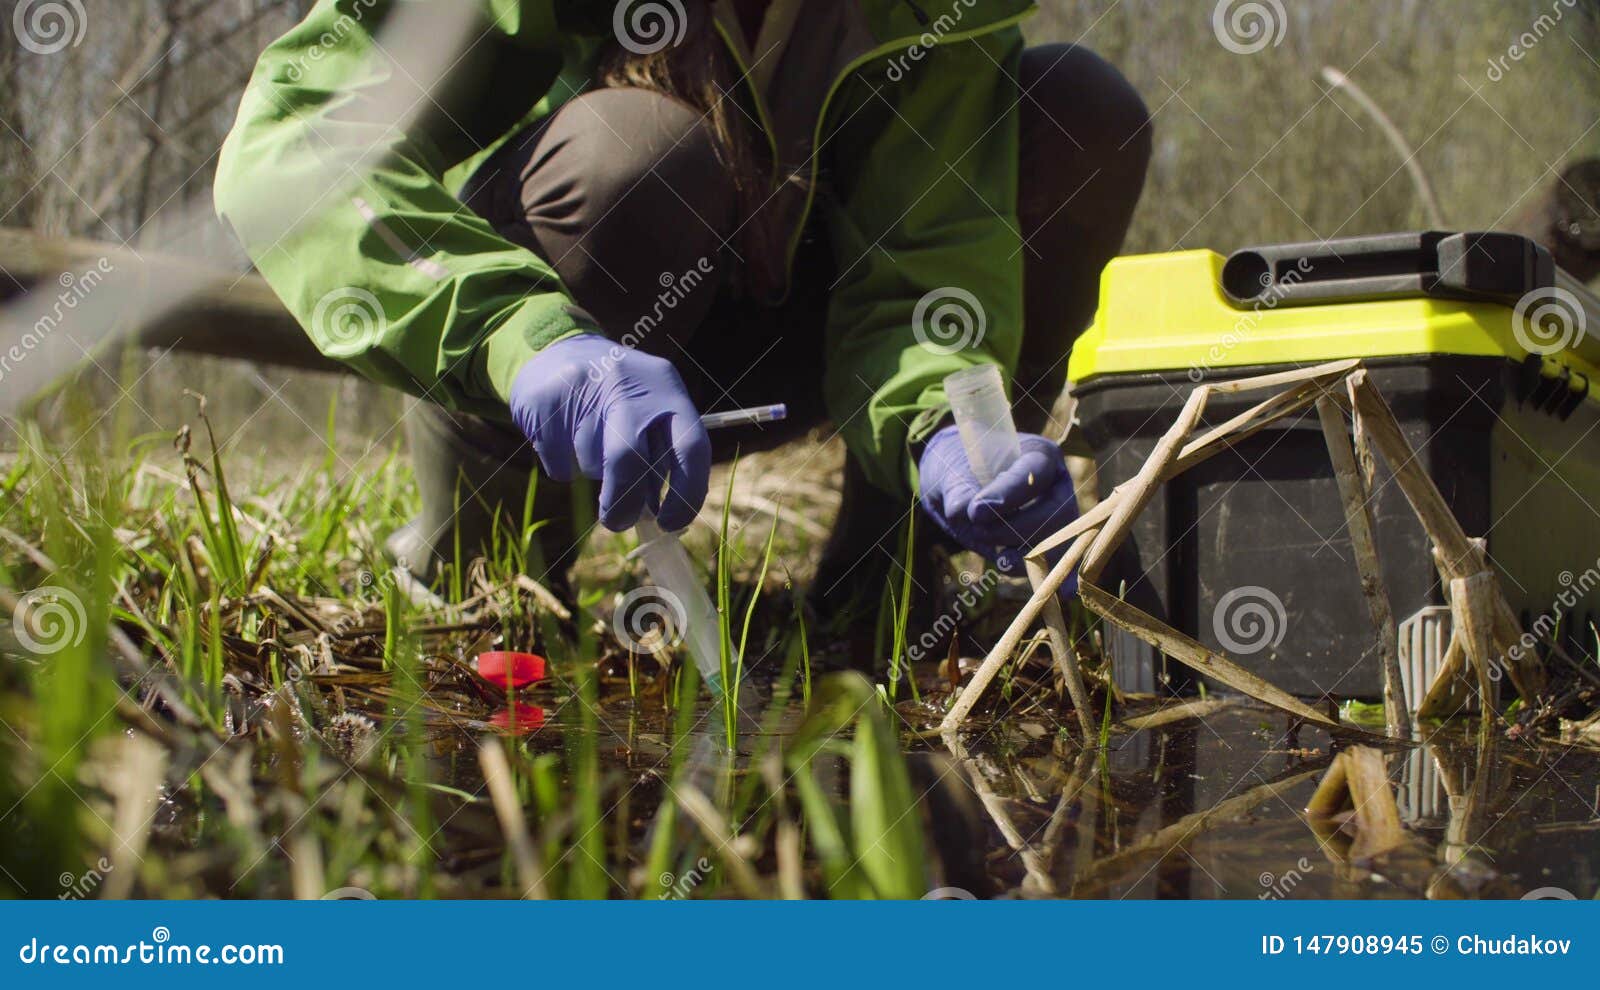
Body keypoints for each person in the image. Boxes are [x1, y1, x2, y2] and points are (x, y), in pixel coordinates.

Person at [214, 0, 1150, 641]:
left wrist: (944, 422)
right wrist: (521, 337)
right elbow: (294, 148)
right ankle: (484, 573)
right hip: (576, 341)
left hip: (803, 355)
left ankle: (887, 580)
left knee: (1078, 112)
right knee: (637, 159)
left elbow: (933, 254)